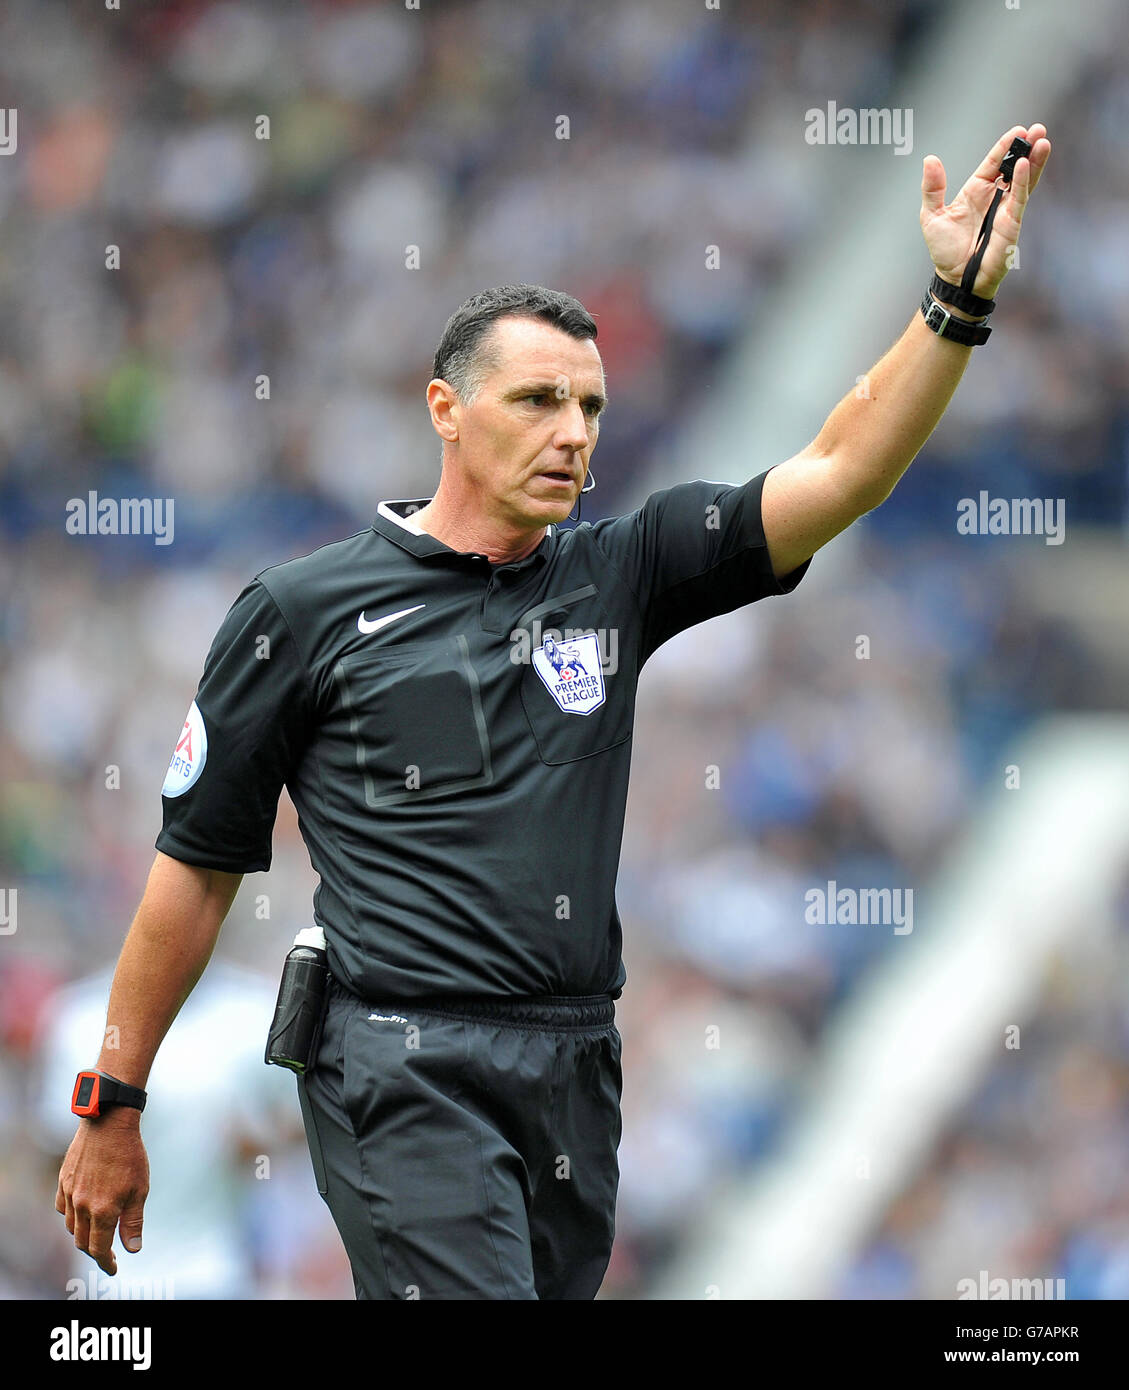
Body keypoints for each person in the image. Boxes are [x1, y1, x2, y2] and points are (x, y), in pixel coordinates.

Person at [54, 124, 1050, 1299]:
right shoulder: (301, 610)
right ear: (445, 409)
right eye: (536, 400)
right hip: (400, 1060)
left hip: (576, 1065)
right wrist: (112, 1101)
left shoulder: (620, 574)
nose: (572, 433)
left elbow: (840, 471)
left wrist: (953, 303)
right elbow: (196, 866)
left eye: (589, 405)